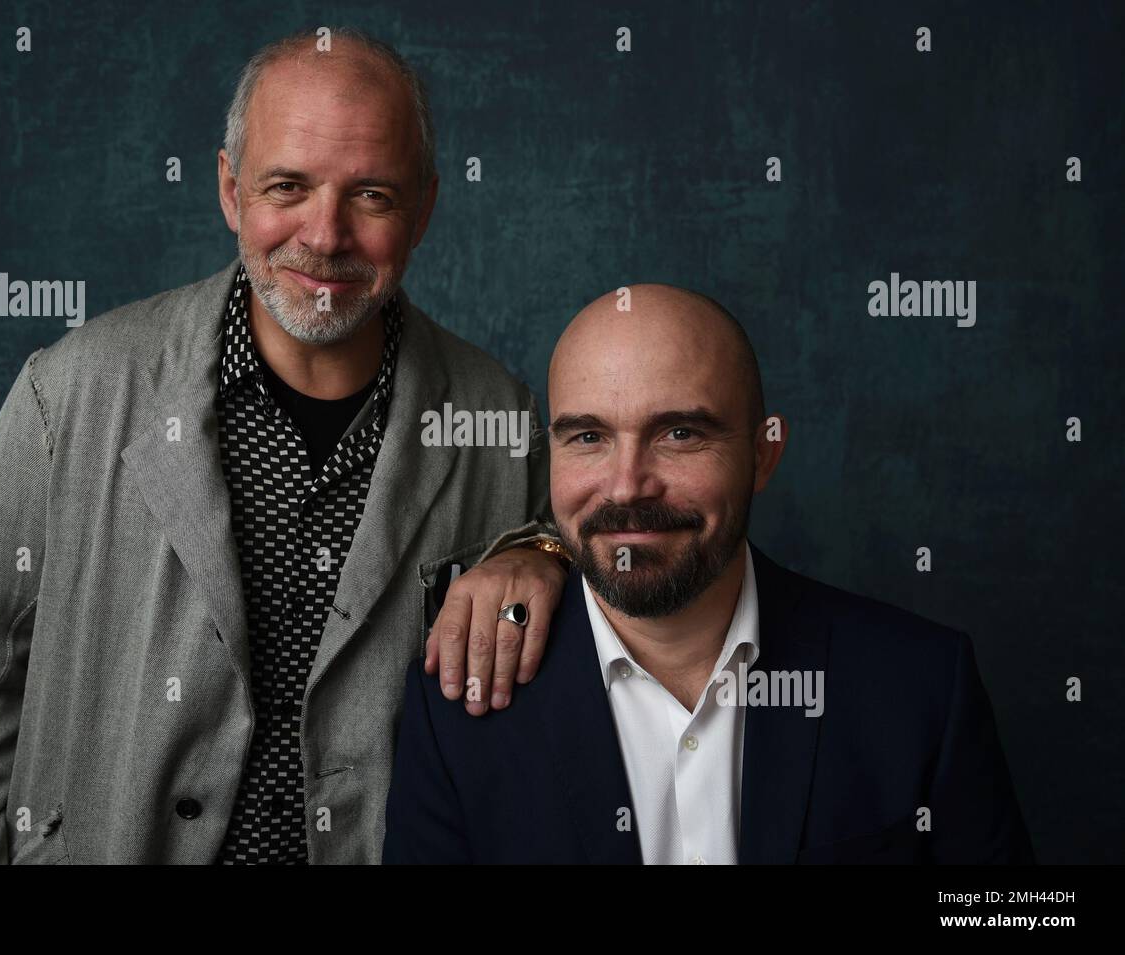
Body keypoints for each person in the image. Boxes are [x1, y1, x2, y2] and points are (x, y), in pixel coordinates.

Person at [0, 27, 570, 865]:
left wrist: (544, 553)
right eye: (289, 185)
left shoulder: (501, 421)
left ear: (424, 209)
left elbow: (590, 655)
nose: (325, 235)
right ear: (229, 190)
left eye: (373, 196)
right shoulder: (67, 394)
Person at [384, 284, 1035, 864]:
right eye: (588, 436)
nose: (627, 484)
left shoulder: (921, 686)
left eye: (680, 433)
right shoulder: (456, 713)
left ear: (761, 455)